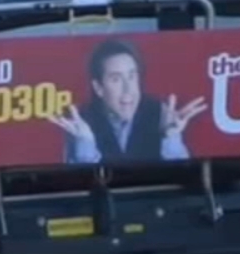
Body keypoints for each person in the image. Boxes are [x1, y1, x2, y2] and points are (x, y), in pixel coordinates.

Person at [49, 37, 208, 164]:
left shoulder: (160, 113)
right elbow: (79, 187)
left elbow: (183, 181)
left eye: (132, 76)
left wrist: (171, 137)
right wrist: (85, 143)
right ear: (98, 88)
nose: (128, 89)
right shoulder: (81, 122)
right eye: (116, 79)